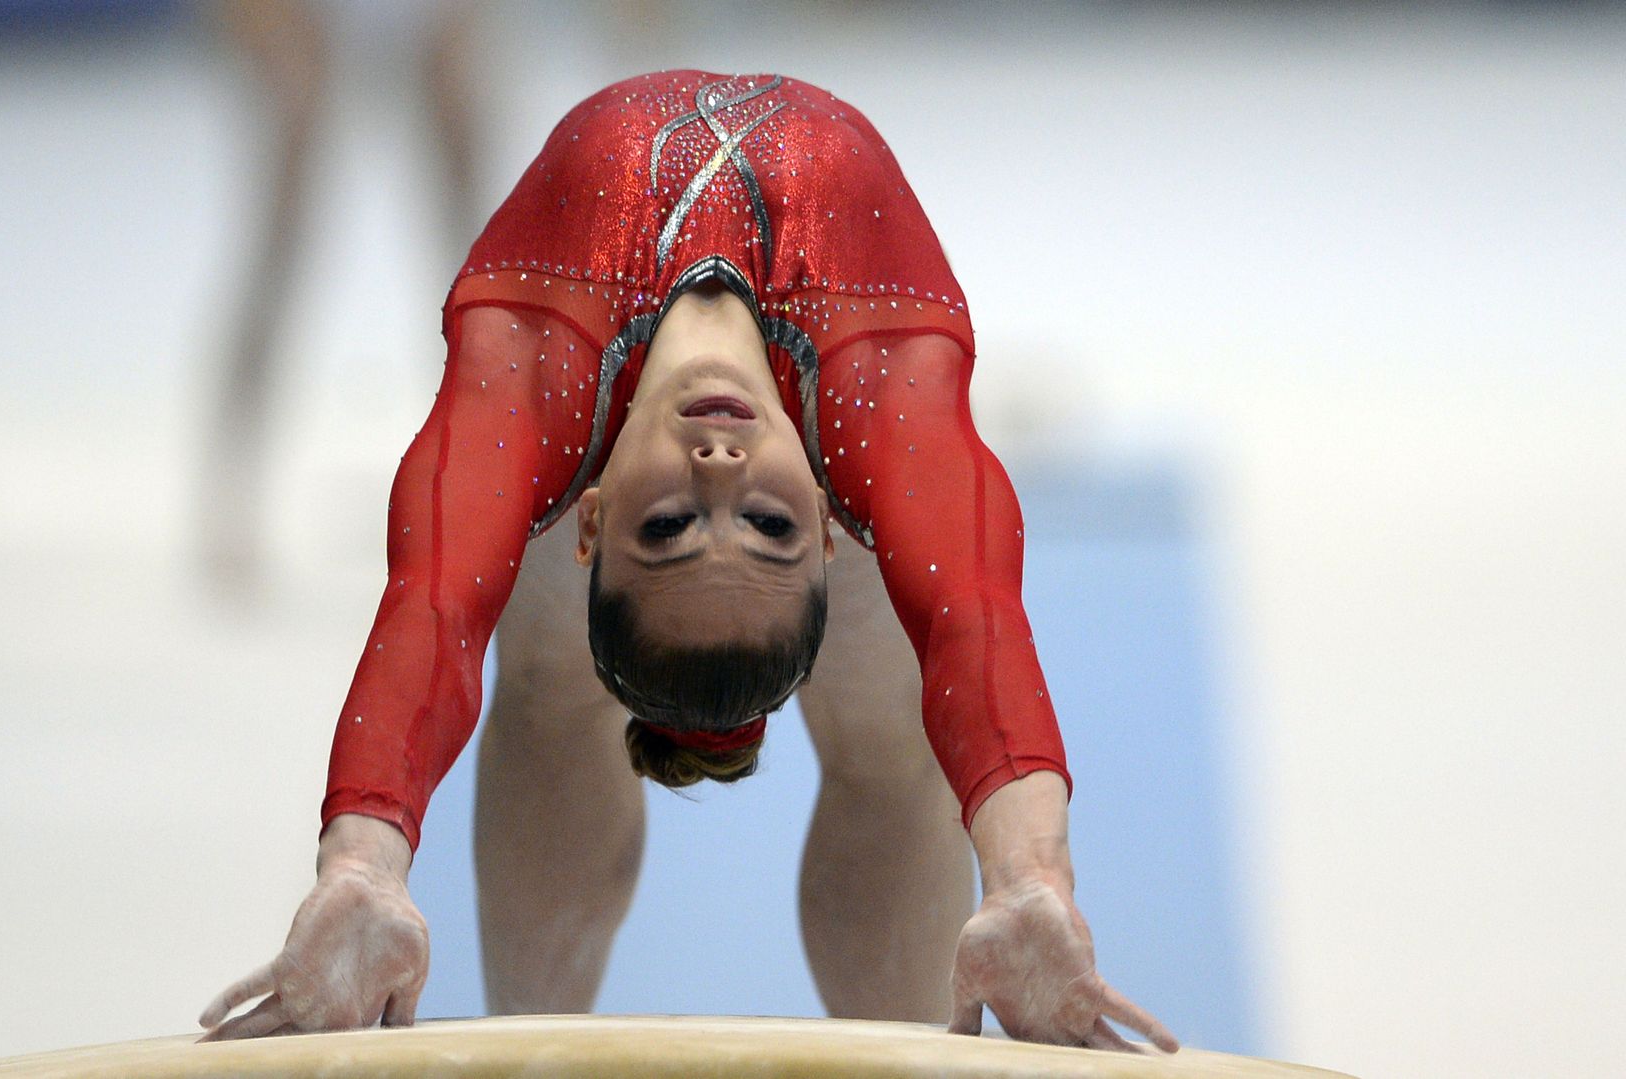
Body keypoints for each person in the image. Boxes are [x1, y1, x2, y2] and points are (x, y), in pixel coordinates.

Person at [199, 70, 1178, 1054]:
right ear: (827, 536)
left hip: (585, 437)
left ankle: (895, 1050)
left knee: (545, 663)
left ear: (594, 526)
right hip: (827, 436)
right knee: (898, 725)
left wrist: (360, 865)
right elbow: (976, 617)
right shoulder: (879, 385)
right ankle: (536, 1051)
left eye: (668, 525)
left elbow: (434, 605)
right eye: (768, 524)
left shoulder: (533, 360)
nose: (721, 471)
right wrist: (1030, 881)